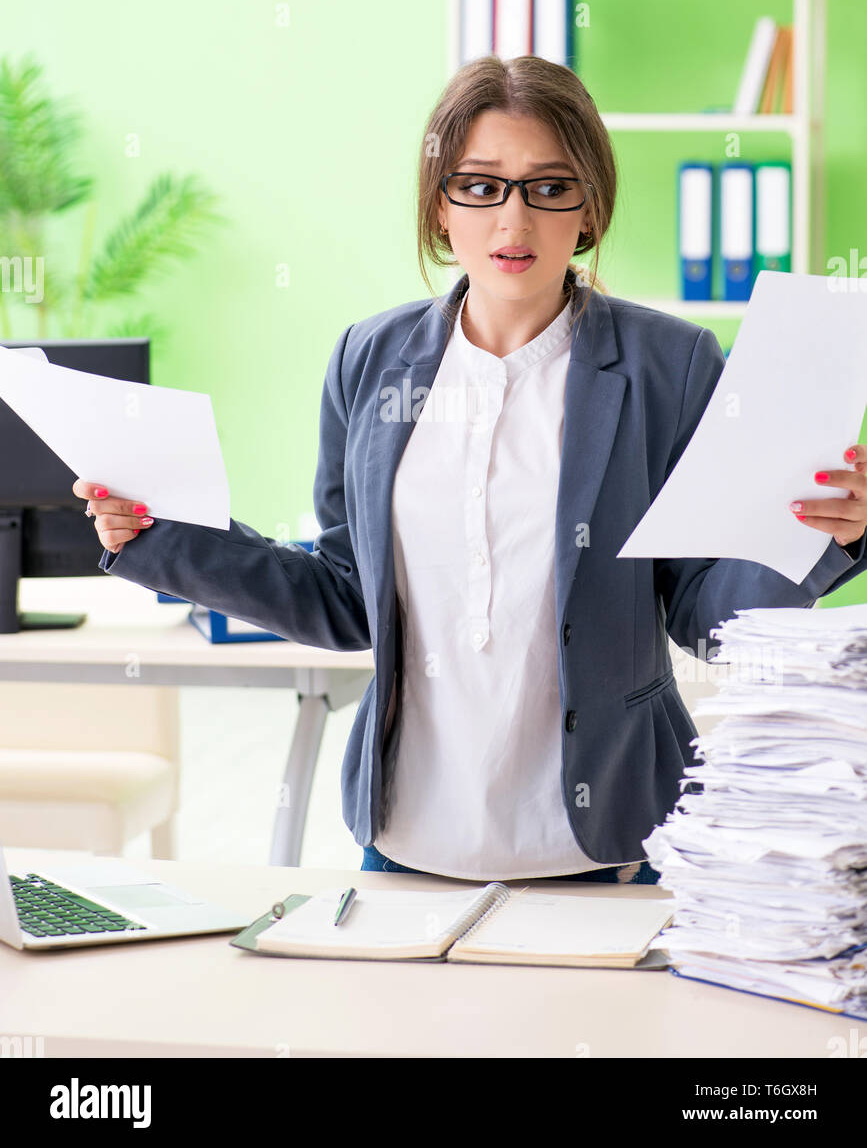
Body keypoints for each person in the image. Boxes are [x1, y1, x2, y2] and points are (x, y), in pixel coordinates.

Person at [73, 55, 867, 886]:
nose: (513, 220)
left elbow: (706, 615)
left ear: (587, 207)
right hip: (404, 844)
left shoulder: (669, 364)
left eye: (548, 186)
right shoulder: (368, 359)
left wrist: (821, 534)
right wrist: (160, 539)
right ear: (440, 207)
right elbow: (347, 597)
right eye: (481, 186)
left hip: (608, 848)